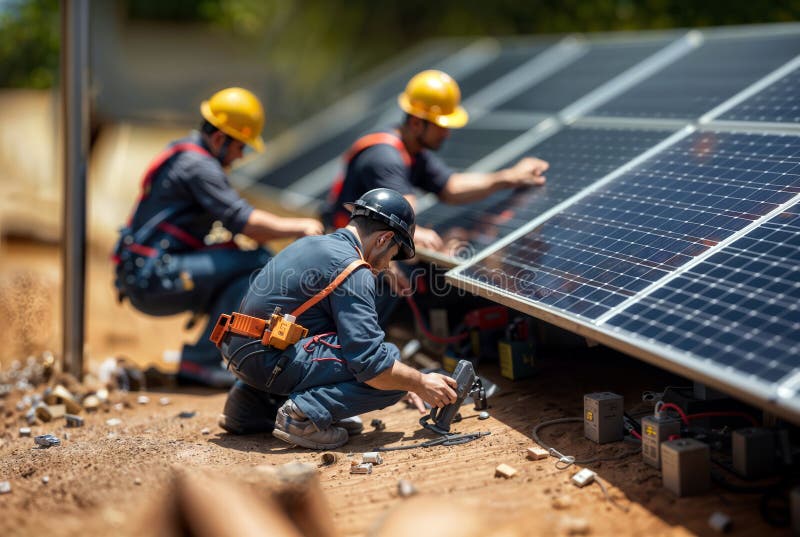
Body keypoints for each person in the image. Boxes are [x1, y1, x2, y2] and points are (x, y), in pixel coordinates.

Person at [215, 188, 458, 450]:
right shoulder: (352, 268)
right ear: (383, 239)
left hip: (240, 351)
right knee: (388, 360)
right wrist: (418, 382)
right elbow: (372, 362)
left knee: (346, 342)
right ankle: (303, 416)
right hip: (265, 360)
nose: (388, 264)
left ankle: (248, 406)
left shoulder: (313, 243)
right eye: (393, 253)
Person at [113, 87, 324, 389]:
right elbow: (246, 223)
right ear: (219, 139)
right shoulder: (199, 167)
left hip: (149, 271)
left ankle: (203, 359)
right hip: (154, 277)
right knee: (258, 261)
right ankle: (202, 360)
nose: (240, 156)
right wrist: (300, 227)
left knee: (244, 269)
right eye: (241, 147)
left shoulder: (186, 153)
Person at [322, 69, 550, 254]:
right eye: (441, 126)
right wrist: (434, 240)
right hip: (347, 254)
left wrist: (509, 177)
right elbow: (403, 220)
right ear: (416, 124)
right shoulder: (385, 157)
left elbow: (451, 187)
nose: (446, 133)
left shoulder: (412, 151)